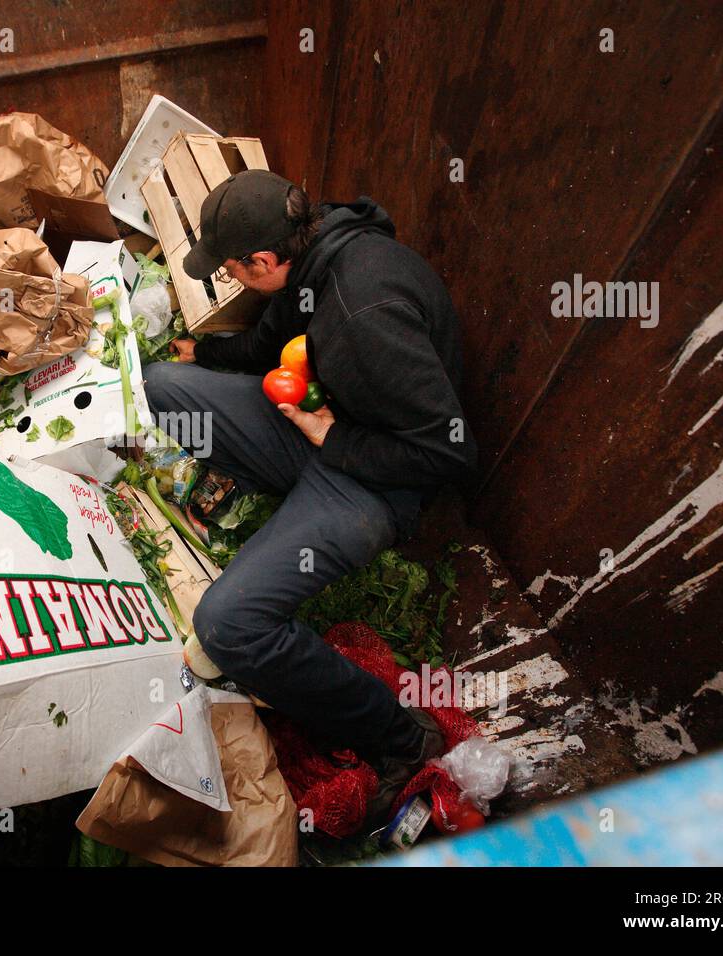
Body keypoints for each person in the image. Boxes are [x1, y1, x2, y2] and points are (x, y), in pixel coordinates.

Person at [144, 169, 478, 821]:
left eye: (233, 270)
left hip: (377, 480)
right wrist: (203, 355)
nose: (233, 280)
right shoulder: (315, 252)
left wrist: (333, 439)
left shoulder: (363, 316)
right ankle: (288, 495)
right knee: (162, 385)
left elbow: (451, 452)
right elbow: (266, 345)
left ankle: (402, 738)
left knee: (227, 625)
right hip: (322, 426)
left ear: (263, 260)